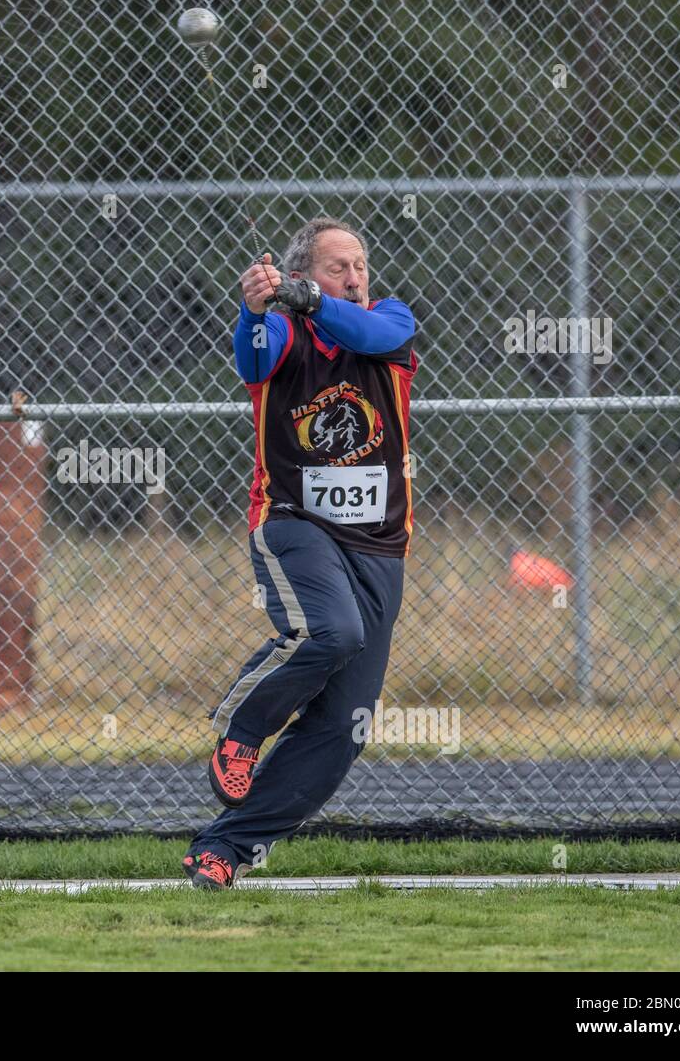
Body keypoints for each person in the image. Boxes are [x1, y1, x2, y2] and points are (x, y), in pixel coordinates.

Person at [183, 217, 418, 890]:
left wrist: (312, 298)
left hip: (380, 547)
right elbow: (254, 359)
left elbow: (374, 335)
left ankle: (225, 848)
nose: (355, 277)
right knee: (331, 630)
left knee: (344, 727)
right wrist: (255, 310)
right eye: (336, 267)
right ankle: (241, 728)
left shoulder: (389, 320)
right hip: (294, 525)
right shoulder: (285, 332)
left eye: (360, 265)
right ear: (300, 275)